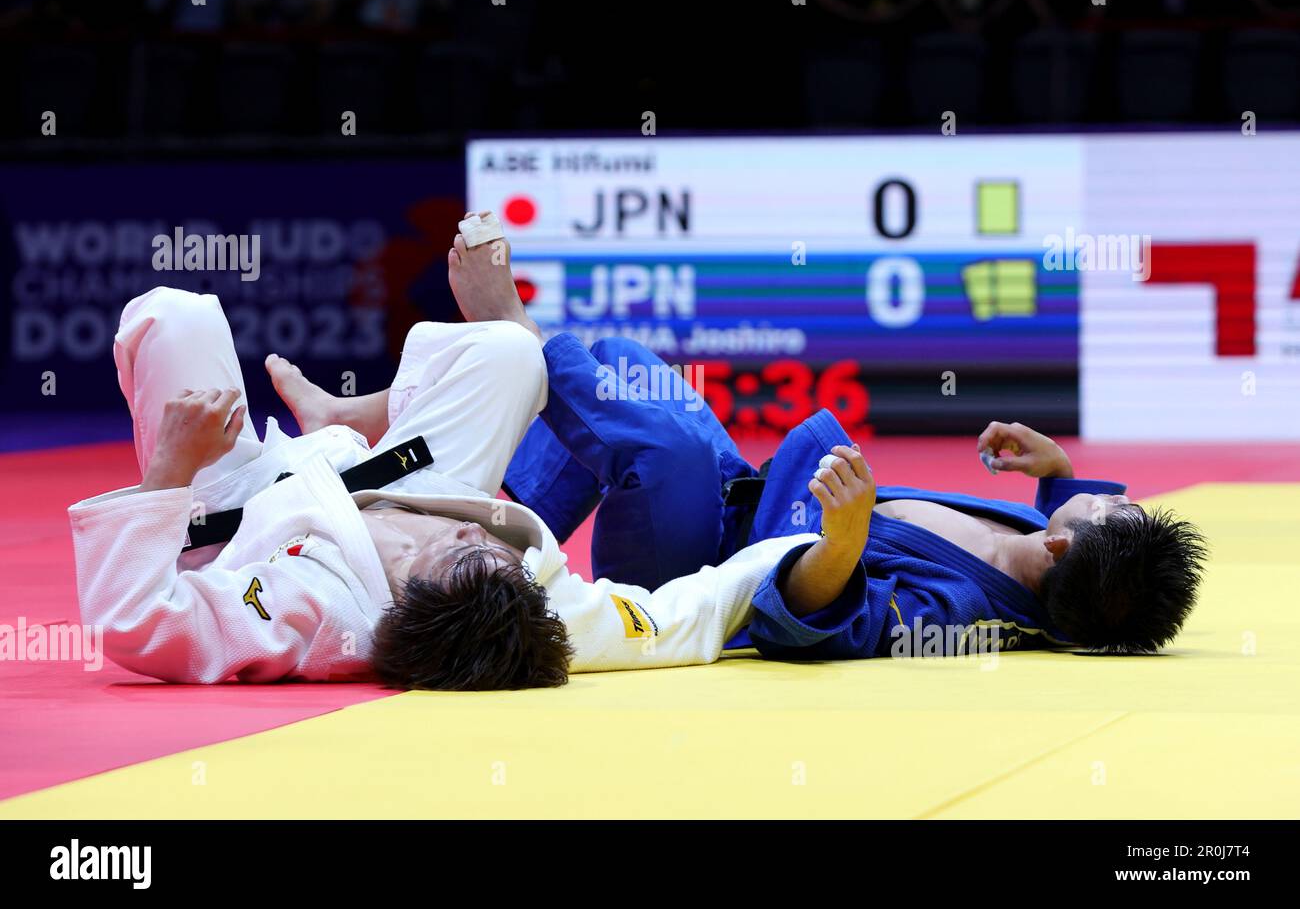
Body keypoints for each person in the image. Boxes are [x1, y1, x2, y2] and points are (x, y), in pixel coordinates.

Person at [68, 218, 870, 689]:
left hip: (241, 506)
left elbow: (137, 623)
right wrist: (829, 543)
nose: (476, 537)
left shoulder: (315, 617)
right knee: (509, 357)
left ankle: (296, 432)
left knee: (176, 314)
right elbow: (677, 618)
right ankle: (345, 411)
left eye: (459, 558)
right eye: (491, 552)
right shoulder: (532, 603)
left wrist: (170, 472)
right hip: (394, 473)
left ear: (411, 607)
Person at [497, 295, 1208, 661]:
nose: (1122, 498)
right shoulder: (1042, 554)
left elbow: (817, 627)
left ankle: (513, 331)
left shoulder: (962, 615)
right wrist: (1057, 478)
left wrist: (842, 542)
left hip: (702, 575)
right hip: (745, 498)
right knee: (624, 363)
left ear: (1062, 549)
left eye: (1117, 513)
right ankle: (504, 540)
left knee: (663, 449)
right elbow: (1078, 566)